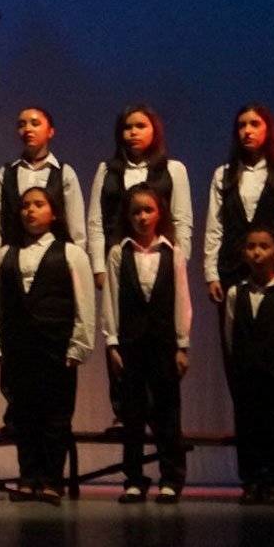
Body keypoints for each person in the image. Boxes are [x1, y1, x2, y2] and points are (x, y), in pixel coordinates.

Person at [86, 105, 193, 435]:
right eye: (127, 127)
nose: (132, 132)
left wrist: (176, 261)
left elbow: (182, 218)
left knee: (158, 342)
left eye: (140, 126)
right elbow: (95, 221)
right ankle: (124, 412)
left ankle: (159, 415)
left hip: (160, 260)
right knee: (121, 334)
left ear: (154, 130)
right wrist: (98, 266)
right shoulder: (107, 170)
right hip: (120, 261)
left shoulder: (173, 169)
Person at [0, 187, 94, 502]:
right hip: (18, 346)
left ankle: (51, 479)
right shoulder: (5, 254)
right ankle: (27, 476)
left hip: (55, 345)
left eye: (39, 204)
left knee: (55, 415)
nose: (30, 211)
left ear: (54, 212)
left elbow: (84, 303)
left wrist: (78, 345)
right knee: (24, 415)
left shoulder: (71, 253)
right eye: (24, 206)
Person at [102, 185, 192, 504]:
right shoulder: (118, 253)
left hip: (163, 342)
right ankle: (134, 479)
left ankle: (171, 477)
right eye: (136, 211)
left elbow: (182, 299)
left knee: (168, 412)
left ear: (159, 213)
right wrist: (112, 343)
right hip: (130, 342)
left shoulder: (172, 253)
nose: (142, 217)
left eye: (148, 210)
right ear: (127, 216)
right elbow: (111, 299)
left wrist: (182, 344)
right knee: (133, 414)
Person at [223, 227, 274, 505]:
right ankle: (251, 480)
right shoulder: (237, 293)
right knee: (248, 426)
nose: (257, 253)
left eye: (263, 246)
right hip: (246, 373)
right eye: (251, 247)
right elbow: (231, 333)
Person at [203, 104, 274, 308]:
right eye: (242, 126)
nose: (247, 131)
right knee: (233, 335)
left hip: (273, 272)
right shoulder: (223, 175)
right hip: (232, 269)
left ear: (267, 130)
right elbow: (214, 228)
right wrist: (211, 274)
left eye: (254, 124)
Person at [0, 106, 87, 253]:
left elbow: (76, 227)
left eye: (35, 124)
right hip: (14, 258)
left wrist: (78, 260)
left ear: (50, 132)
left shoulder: (64, 173)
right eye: (22, 125)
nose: (28, 129)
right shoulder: (5, 174)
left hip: (56, 259)